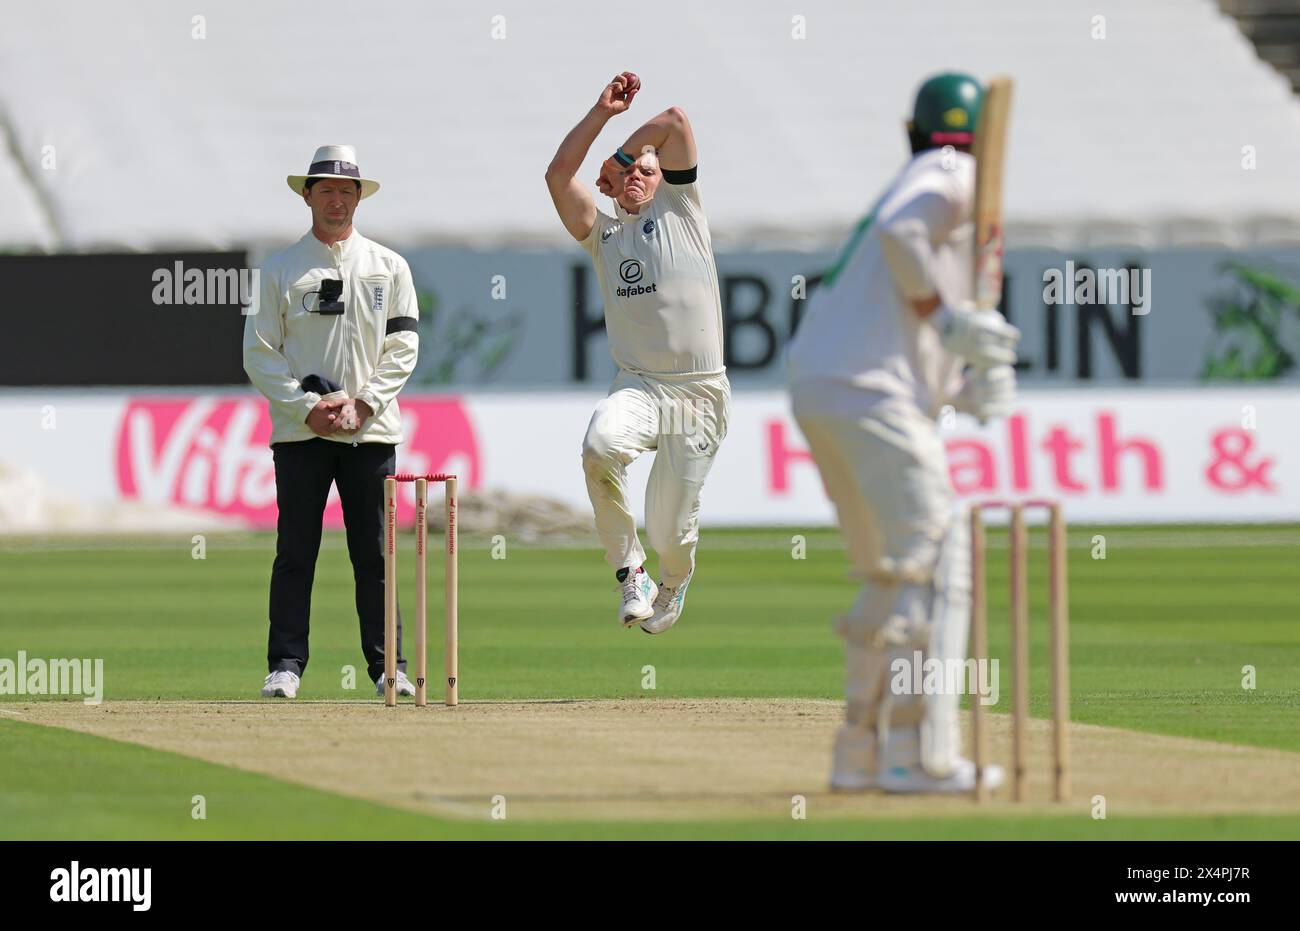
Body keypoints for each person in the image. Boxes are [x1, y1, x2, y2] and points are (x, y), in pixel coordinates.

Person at [785, 73, 1021, 793]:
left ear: (910, 127)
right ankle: (920, 757)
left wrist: (968, 378)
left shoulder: (923, 175)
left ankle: (859, 754)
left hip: (826, 387)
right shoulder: (951, 170)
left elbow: (917, 329)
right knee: (936, 560)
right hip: (869, 395)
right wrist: (946, 318)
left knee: (891, 573)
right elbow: (903, 234)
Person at [545, 73, 729, 634]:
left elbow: (673, 118)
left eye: (646, 170)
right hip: (640, 384)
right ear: (611, 186)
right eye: (625, 173)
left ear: (662, 179)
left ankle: (673, 581)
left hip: (698, 392)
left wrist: (621, 153)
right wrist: (601, 113)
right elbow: (556, 176)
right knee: (599, 447)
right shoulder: (602, 235)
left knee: (671, 530)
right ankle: (630, 571)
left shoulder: (681, 208)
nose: (635, 177)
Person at [244, 144, 420, 698]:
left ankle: (388, 668)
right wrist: (307, 406)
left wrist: (364, 403)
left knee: (373, 553)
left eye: (347, 191)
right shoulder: (280, 268)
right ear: (307, 195)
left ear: (359, 196)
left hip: (370, 432)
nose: (337, 200)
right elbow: (259, 351)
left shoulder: (389, 266)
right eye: (326, 190)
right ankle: (286, 665)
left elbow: (405, 346)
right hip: (302, 433)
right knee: (297, 549)